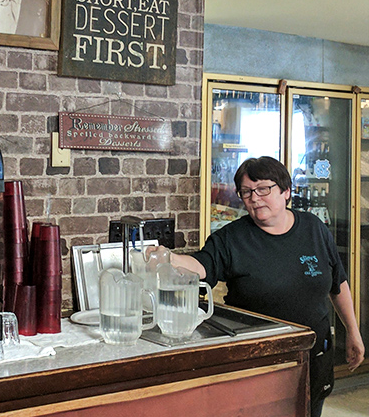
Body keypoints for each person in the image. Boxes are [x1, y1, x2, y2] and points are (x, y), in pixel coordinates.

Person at [155, 156, 364, 417]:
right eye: (247, 192)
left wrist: (352, 332)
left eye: (263, 189)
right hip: (258, 362)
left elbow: (338, 283)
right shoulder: (232, 238)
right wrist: (170, 259)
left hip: (313, 356)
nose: (255, 198)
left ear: (286, 191)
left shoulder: (314, 229)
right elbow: (202, 265)